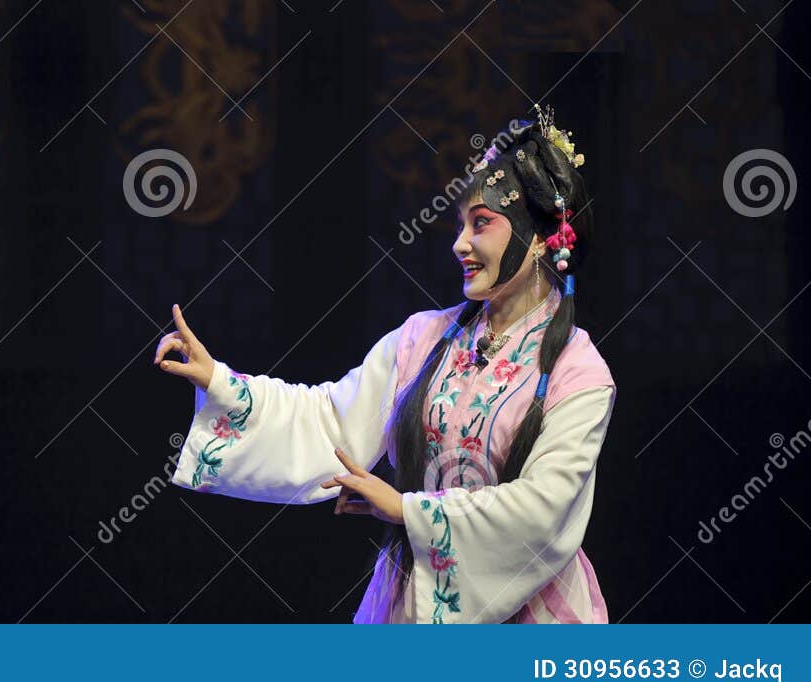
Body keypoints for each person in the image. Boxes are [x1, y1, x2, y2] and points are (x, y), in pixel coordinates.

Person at [154, 108, 613, 623]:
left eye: (480, 223)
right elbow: (331, 418)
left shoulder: (579, 371)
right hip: (410, 600)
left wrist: (404, 510)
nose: (460, 243)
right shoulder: (423, 339)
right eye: (461, 224)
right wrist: (221, 381)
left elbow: (544, 509)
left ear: (539, 236)